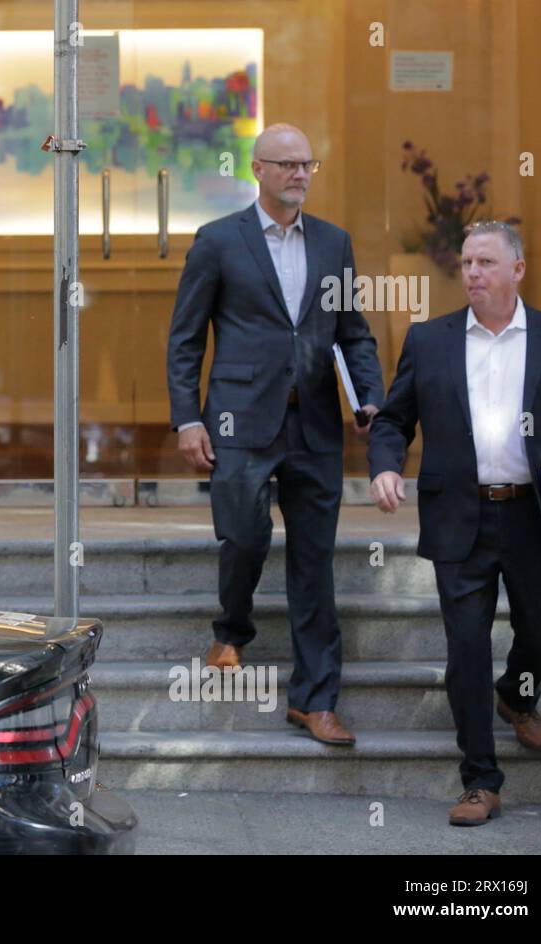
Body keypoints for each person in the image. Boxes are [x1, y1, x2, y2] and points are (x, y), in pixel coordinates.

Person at [166, 123, 384, 746]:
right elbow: (186, 339)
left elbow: (354, 332)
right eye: (286, 164)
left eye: (307, 164)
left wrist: (369, 396)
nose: (299, 174)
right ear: (257, 170)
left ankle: (315, 701)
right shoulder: (217, 242)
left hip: (314, 424)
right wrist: (188, 418)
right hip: (239, 419)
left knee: (314, 562)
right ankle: (231, 629)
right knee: (244, 534)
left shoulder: (335, 243)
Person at [368, 221, 541, 826]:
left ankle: (516, 693)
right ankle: (480, 781)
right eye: (466, 264)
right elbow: (392, 420)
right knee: (465, 646)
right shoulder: (429, 341)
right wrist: (386, 467)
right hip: (458, 513)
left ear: (518, 269)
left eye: (486, 262)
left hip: (533, 514)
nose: (474, 273)